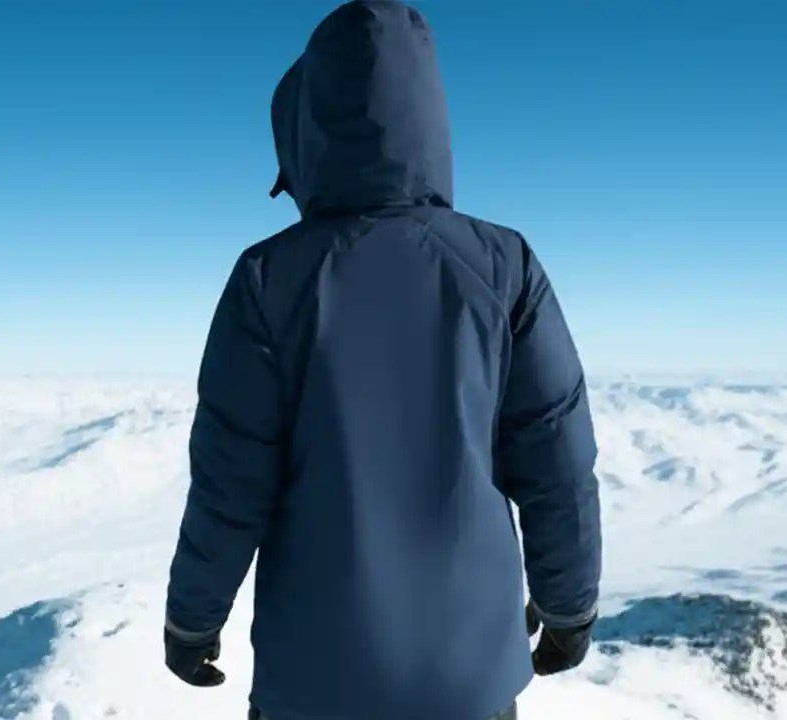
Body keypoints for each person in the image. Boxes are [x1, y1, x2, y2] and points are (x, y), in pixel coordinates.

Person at [163, 2, 602, 718]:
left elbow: (229, 482)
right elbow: (556, 462)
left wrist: (193, 618)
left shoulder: (267, 279)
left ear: (306, 132)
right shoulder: (504, 266)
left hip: (311, 685)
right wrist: (568, 608)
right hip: (470, 686)